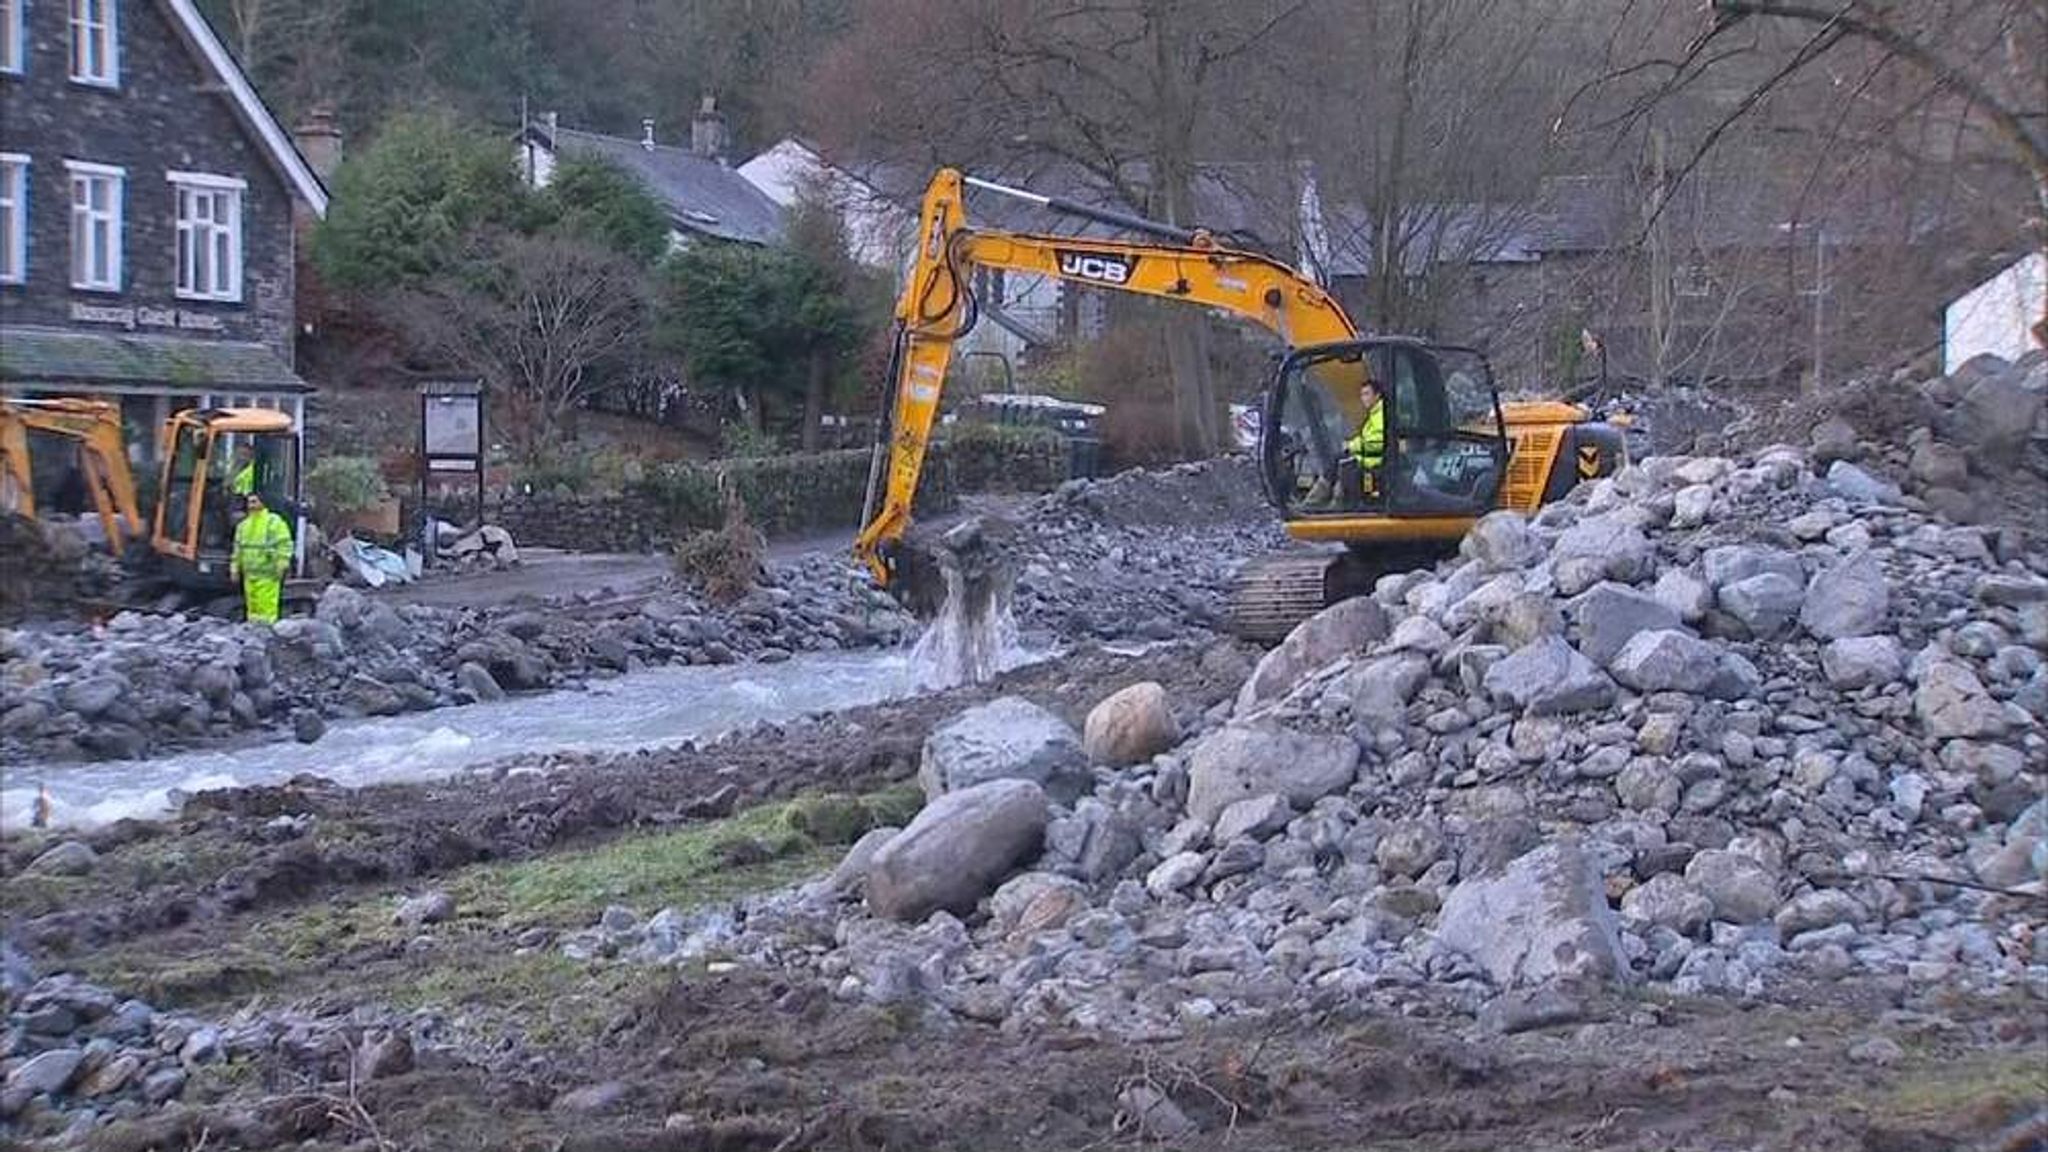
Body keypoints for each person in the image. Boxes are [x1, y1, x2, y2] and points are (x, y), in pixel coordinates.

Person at [1303, 377, 1387, 510]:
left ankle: (1319, 503)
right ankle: (1320, 502)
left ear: (1377, 395)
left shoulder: (1382, 415)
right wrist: (1351, 444)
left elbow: (1378, 443)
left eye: (1367, 394)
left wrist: (1351, 446)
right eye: (1361, 395)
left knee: (1341, 464)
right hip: (1367, 460)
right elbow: (1367, 439)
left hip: (1372, 463)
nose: (1363, 398)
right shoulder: (1375, 414)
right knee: (1339, 460)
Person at [230, 491, 292, 624]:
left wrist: (282, 564)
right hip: (249, 575)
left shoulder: (273, 522)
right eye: (249, 502)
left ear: (262, 503)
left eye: (254, 502)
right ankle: (254, 634)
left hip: (268, 575)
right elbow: (238, 550)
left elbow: (284, 544)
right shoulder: (243, 526)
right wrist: (234, 568)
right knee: (252, 610)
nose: (251, 505)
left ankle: (267, 635)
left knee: (267, 609)